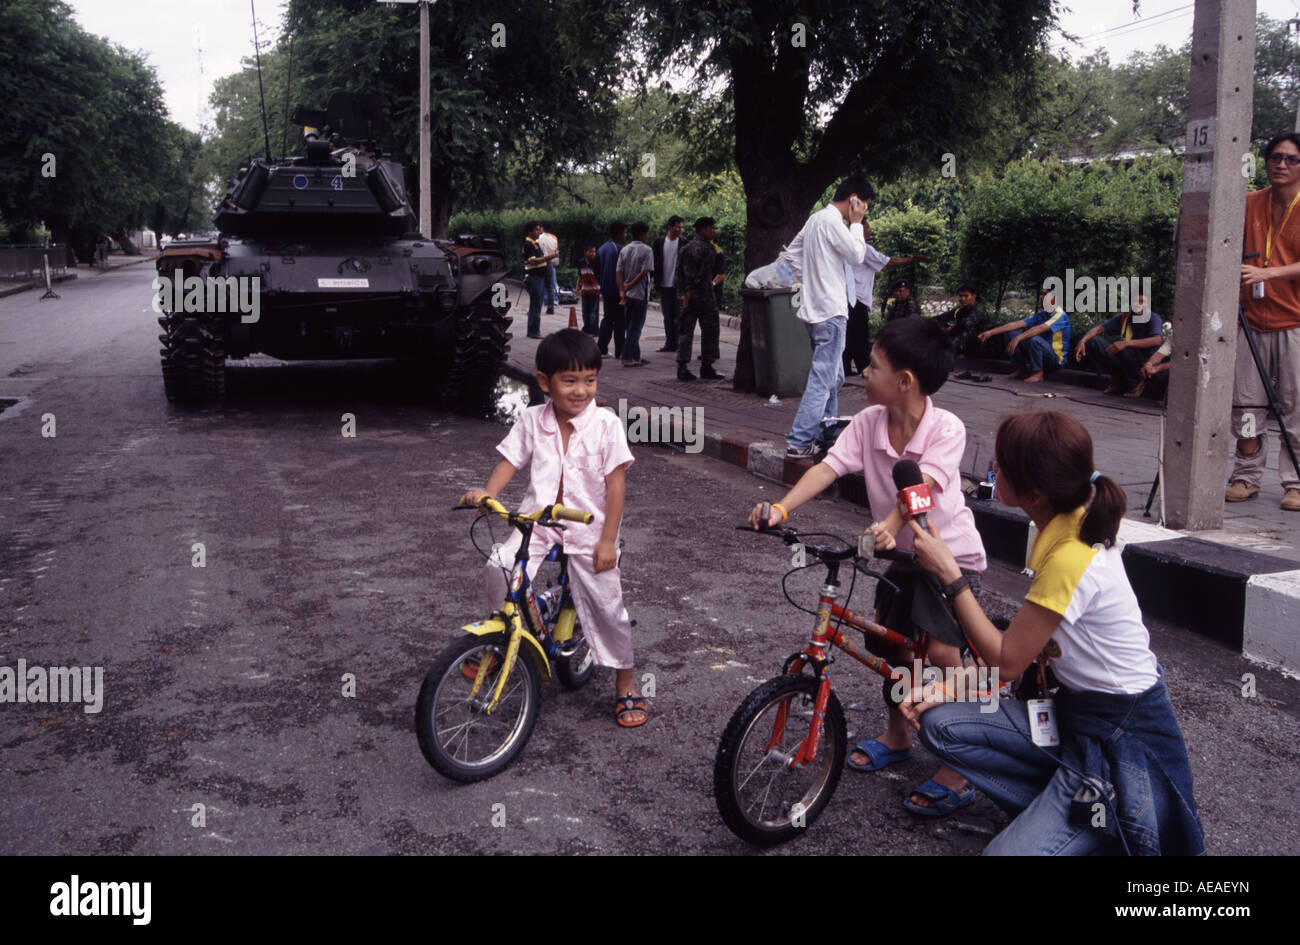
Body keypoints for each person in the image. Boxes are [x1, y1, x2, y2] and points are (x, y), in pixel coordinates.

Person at [900, 411, 1204, 854]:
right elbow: (1021, 662)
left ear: (1035, 492)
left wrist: (951, 575)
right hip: (1070, 718)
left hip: (1119, 739)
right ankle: (1064, 812)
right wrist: (950, 686)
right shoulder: (1070, 522)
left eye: (1001, 465)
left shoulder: (1071, 556)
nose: (992, 470)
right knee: (940, 722)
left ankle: (1099, 821)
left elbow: (1006, 661)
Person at [751, 317, 988, 817]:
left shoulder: (947, 428)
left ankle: (964, 764)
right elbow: (828, 467)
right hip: (897, 557)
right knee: (890, 646)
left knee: (943, 653)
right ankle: (899, 736)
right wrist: (782, 508)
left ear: (905, 380)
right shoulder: (867, 423)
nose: (863, 370)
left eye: (874, 365)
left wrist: (891, 520)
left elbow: (925, 485)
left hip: (944, 559)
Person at [463, 329, 647, 727]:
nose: (581, 391)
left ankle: (626, 680)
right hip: (538, 523)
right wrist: (487, 493)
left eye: (590, 380)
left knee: (606, 605)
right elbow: (510, 461)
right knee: (499, 564)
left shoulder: (606, 424)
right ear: (544, 382)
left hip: (590, 528)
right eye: (569, 381)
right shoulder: (533, 419)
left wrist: (607, 541)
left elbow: (616, 486)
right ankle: (498, 643)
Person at [1231, 131, 1300, 511]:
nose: (1281, 165)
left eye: (1291, 159)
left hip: (1295, 324)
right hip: (1252, 322)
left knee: (1296, 407)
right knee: (1246, 406)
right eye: (1275, 157)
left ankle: (1296, 483)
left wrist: (1268, 274)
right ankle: (1246, 475)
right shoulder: (1249, 203)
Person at [784, 177, 870, 457]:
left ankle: (827, 435)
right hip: (831, 312)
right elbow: (857, 256)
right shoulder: (834, 222)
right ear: (855, 199)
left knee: (834, 377)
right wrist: (856, 223)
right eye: (864, 205)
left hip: (815, 312)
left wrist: (809, 283)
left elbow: (791, 257)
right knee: (823, 379)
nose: (864, 211)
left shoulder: (814, 220)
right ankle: (799, 442)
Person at [844, 227, 930, 376]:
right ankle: (863, 368)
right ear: (859, 230)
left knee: (850, 335)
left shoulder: (846, 248)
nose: (870, 231)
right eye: (867, 228)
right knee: (860, 335)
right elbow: (888, 261)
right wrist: (912, 260)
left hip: (847, 296)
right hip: (857, 298)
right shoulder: (864, 249)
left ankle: (847, 367)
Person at [1072, 294, 1163, 397]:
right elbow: (1098, 329)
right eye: (1135, 301)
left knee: (1123, 348)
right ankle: (1117, 378)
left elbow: (1157, 340)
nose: (1139, 304)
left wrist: (1126, 343)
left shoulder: (1153, 318)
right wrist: (1082, 341)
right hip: (1126, 357)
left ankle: (1136, 384)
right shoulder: (1126, 317)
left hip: (1144, 362)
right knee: (1094, 342)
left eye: (1142, 301)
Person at [978, 289, 1072, 383]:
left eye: (1045, 295)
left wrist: (1018, 338)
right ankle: (1021, 370)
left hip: (1055, 360)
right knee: (1010, 334)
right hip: (1041, 354)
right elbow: (1016, 324)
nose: (1041, 297)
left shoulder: (1060, 315)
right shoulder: (1042, 314)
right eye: (1042, 294)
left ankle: (1038, 373)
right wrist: (990, 333)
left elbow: (1040, 328)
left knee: (1034, 339)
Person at [676, 217, 726, 382]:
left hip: (689, 297)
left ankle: (682, 367)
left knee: (686, 333)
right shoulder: (707, 249)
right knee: (710, 331)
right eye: (711, 228)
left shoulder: (685, 247)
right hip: (704, 296)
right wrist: (694, 289)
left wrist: (683, 293)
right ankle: (707, 366)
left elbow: (678, 274)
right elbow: (702, 275)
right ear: (702, 230)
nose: (713, 231)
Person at [617, 221, 654, 367]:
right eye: (647, 233)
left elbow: (618, 271)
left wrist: (622, 289)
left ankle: (635, 355)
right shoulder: (647, 250)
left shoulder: (625, 249)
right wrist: (630, 284)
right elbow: (645, 272)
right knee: (636, 327)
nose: (648, 236)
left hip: (627, 295)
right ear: (642, 234)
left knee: (630, 326)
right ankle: (626, 357)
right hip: (640, 294)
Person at [652, 216, 684, 352]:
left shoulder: (684, 243)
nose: (680, 229)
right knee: (667, 317)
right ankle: (669, 343)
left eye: (682, 227)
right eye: (678, 226)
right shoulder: (659, 243)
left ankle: (677, 343)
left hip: (678, 286)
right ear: (669, 227)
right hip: (664, 285)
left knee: (678, 316)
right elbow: (654, 263)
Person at [935, 284, 991, 360]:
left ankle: (946, 361)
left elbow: (965, 325)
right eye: (960, 296)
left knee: (960, 334)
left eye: (966, 296)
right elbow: (944, 317)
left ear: (974, 296)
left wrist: (950, 329)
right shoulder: (960, 309)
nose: (962, 299)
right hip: (963, 340)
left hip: (978, 342)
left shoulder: (979, 309)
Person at [521, 220, 557, 339]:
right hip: (535, 277)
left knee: (537, 304)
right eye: (536, 230)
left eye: (539, 229)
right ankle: (533, 331)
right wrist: (549, 257)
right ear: (530, 231)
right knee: (536, 304)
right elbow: (533, 261)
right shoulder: (528, 244)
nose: (538, 232)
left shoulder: (535, 243)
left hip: (540, 277)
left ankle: (534, 330)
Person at [597, 222, 627, 359]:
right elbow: (622, 271)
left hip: (606, 289)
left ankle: (601, 348)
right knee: (620, 321)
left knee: (608, 318)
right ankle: (620, 351)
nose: (626, 235)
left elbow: (596, 270)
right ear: (619, 233)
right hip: (617, 289)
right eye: (625, 232)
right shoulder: (619, 249)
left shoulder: (602, 248)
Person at [576, 244, 602, 336]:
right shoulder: (581, 262)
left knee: (593, 312)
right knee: (584, 312)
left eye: (594, 252)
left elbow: (600, 276)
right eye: (590, 251)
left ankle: (593, 331)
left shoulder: (597, 262)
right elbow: (580, 275)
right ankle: (586, 329)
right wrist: (577, 286)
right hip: (585, 290)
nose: (592, 254)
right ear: (585, 252)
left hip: (595, 290)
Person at [538, 222, 560, 315]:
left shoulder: (539, 238)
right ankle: (550, 308)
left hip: (540, 262)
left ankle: (537, 307)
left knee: (539, 285)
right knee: (550, 286)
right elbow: (556, 253)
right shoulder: (553, 239)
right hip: (550, 263)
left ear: (542, 228)